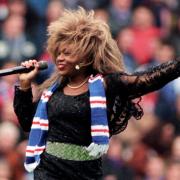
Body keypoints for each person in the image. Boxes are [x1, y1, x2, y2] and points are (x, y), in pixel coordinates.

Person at [13, 7, 180, 180]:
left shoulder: (106, 84)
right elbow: (27, 123)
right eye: (59, 52)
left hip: (86, 172)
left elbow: (148, 79)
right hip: (48, 171)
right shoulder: (52, 89)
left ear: (84, 57)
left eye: (67, 53)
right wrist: (24, 84)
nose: (60, 58)